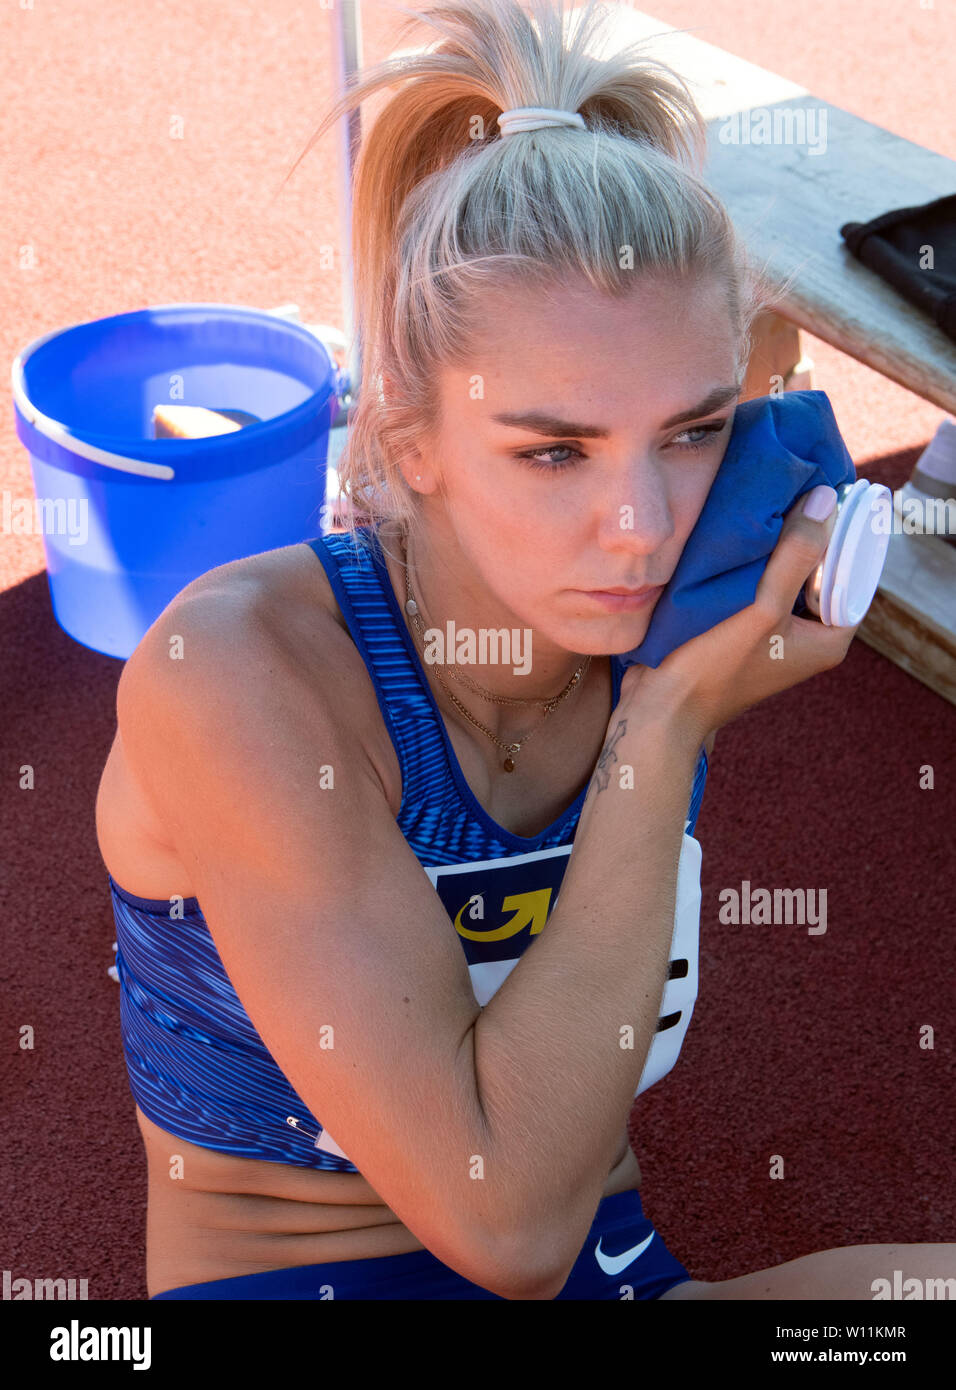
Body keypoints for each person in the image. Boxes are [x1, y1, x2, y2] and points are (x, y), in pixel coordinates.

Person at [97, 0, 955, 1299]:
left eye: (692, 428)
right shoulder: (236, 671)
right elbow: (504, 1227)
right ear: (408, 437)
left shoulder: (667, 606)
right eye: (553, 450)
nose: (642, 526)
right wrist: (659, 731)